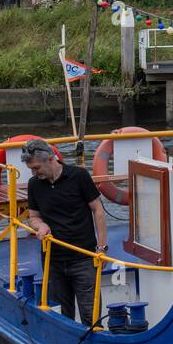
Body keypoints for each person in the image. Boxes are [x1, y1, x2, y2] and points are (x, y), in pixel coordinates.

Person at [25, 139, 107, 325]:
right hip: (53, 260)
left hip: (83, 257)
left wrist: (101, 248)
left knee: (91, 316)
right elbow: (33, 217)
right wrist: (40, 226)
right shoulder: (34, 184)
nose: (34, 172)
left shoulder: (79, 176)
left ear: (51, 159)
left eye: (37, 167)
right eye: (31, 169)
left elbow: (98, 210)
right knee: (62, 315)